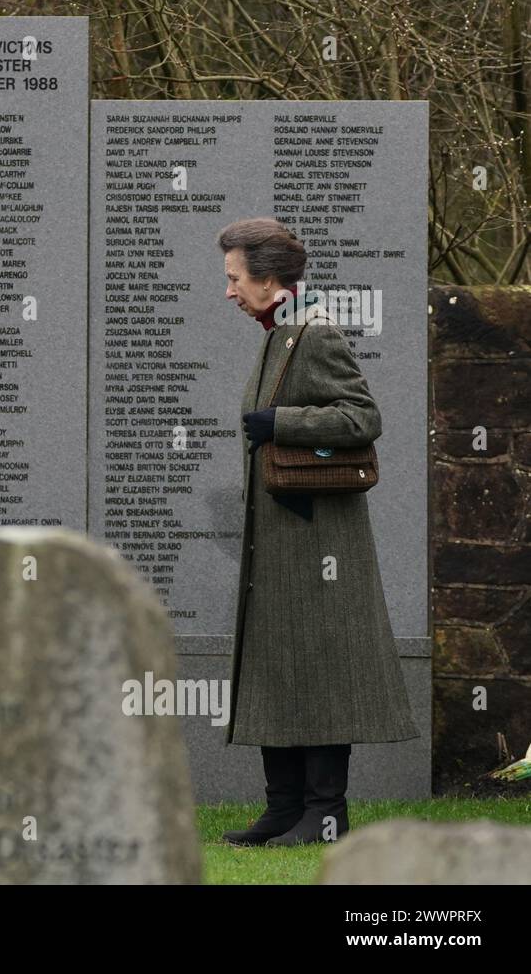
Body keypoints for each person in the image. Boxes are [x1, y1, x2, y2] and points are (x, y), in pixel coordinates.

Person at [216, 217, 419, 847]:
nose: (229, 291)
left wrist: (282, 421)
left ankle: (327, 813)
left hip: (316, 539)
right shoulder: (278, 333)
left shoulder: (315, 332)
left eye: (235, 278)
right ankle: (284, 809)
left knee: (322, 671)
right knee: (281, 667)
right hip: (280, 539)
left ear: (270, 279)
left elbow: (363, 417)